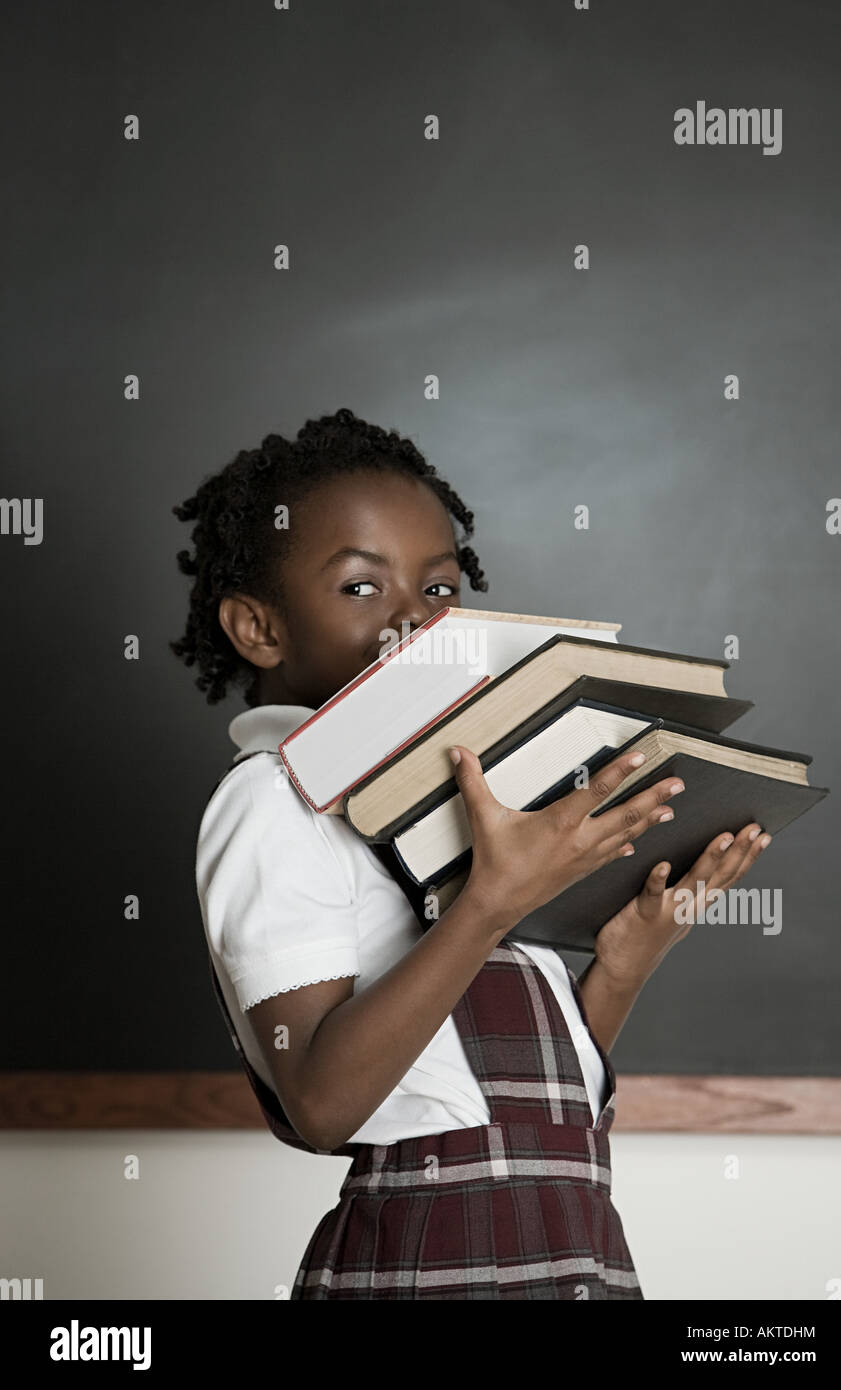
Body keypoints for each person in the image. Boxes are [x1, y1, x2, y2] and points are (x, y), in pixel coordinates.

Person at [171, 406, 770, 1299]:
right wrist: (490, 900)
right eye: (362, 588)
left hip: (571, 1244)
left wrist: (623, 964)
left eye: (441, 590)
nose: (415, 624)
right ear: (259, 628)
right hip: (431, 1256)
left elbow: (512, 1092)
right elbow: (324, 1104)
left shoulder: (489, 790)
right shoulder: (271, 801)